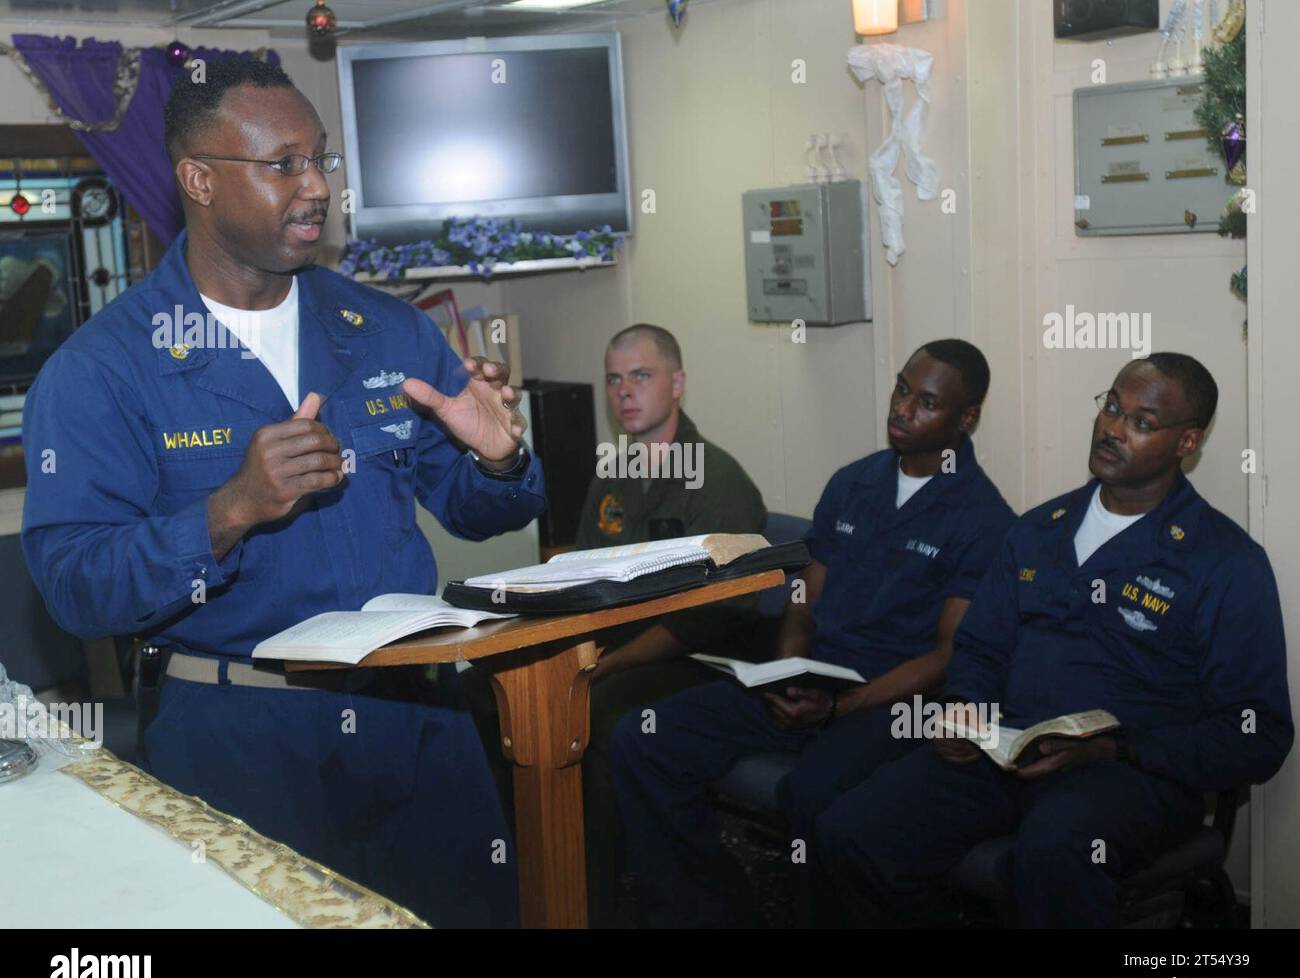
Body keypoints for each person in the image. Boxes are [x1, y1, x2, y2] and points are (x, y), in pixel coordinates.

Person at [20, 59, 545, 928]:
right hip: (242, 742)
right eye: (284, 164)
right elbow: (76, 587)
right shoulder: (101, 371)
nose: (316, 188)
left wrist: (496, 460)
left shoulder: (387, 327)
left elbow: (480, 512)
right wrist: (227, 513)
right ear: (197, 179)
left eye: (323, 161)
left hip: (419, 724)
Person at [816, 353, 1294, 928]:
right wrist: (966, 708)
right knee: (853, 831)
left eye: (1141, 423)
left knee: (1054, 848)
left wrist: (1116, 747)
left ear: (1187, 441)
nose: (1114, 428)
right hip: (1004, 754)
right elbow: (981, 649)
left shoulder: (1223, 562)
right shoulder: (1039, 530)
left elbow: (1258, 732)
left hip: (1130, 777)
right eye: (1112, 407)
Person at [609, 339, 1016, 927]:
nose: (903, 408)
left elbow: (949, 655)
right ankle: (706, 912)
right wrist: (788, 671)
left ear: (966, 418)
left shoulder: (984, 519)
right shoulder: (854, 483)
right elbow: (803, 597)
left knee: (813, 793)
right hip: (812, 681)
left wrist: (846, 704)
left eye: (927, 402)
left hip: (893, 703)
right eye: (902, 388)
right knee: (644, 740)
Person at [468, 322, 767, 926]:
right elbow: (581, 578)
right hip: (613, 651)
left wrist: (598, 668)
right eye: (613, 378)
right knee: (486, 690)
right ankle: (532, 872)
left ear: (677, 384)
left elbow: (710, 618)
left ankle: (597, 901)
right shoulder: (614, 471)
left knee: (597, 712)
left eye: (642, 376)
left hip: (695, 663)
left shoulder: (716, 478)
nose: (624, 392)